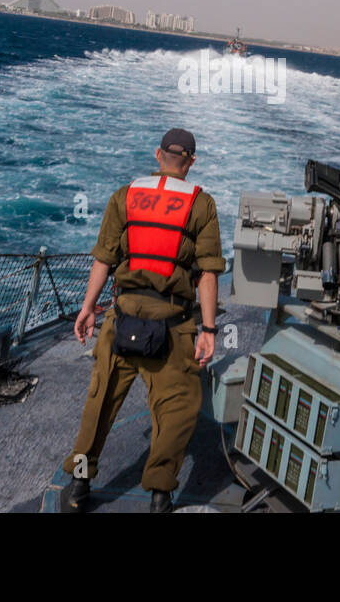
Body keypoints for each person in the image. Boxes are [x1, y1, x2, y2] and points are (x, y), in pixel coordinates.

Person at [59, 128, 224, 513]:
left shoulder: (126, 195)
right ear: (192, 161)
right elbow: (208, 274)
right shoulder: (202, 204)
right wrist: (210, 330)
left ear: (158, 155)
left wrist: (87, 308)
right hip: (171, 325)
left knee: (99, 404)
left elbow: (104, 259)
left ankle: (80, 485)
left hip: (122, 319)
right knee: (178, 407)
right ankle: (160, 495)